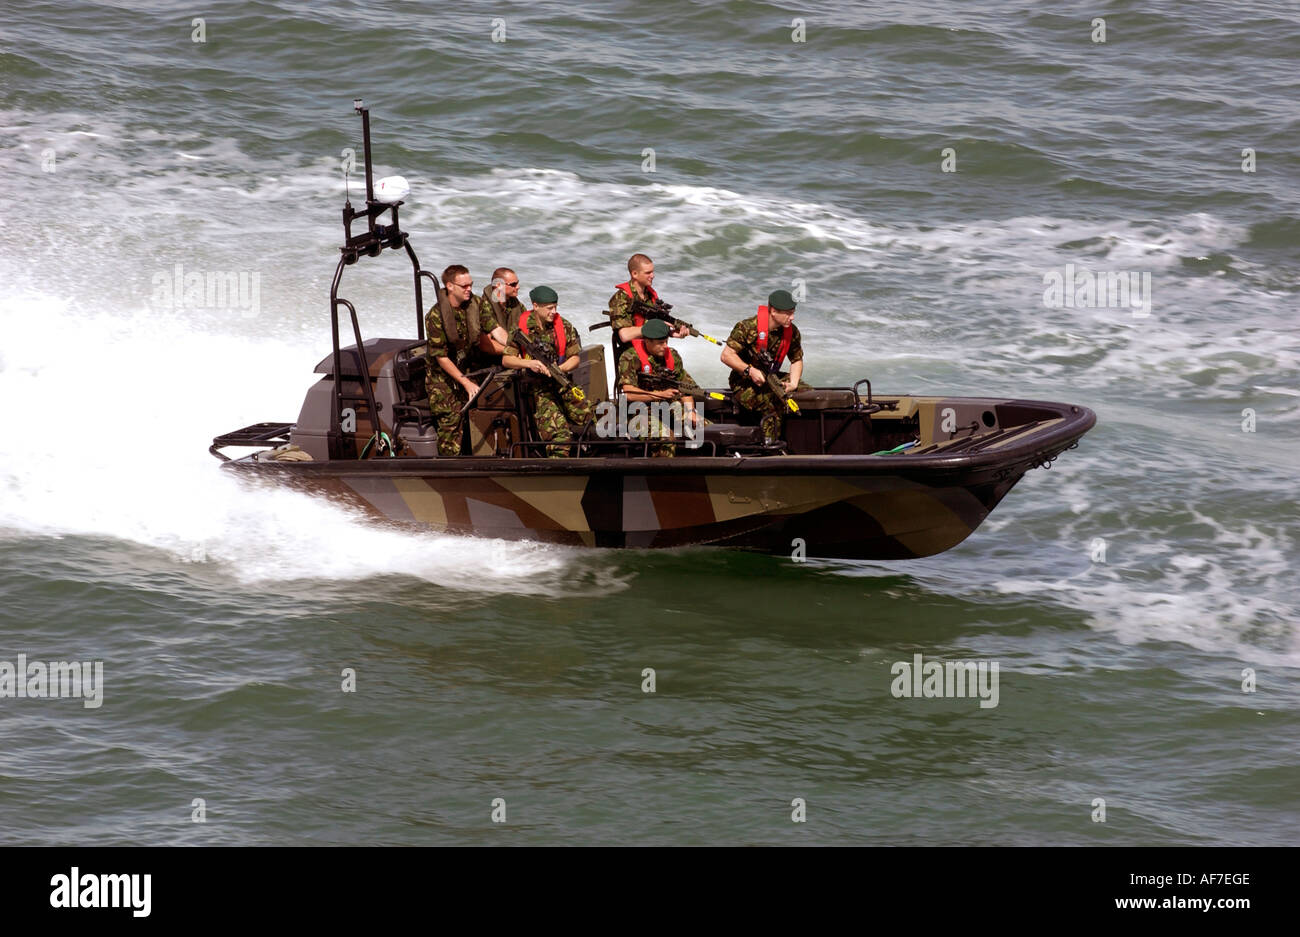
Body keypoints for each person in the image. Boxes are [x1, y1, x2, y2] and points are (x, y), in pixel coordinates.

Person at [502, 285, 593, 458]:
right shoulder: (520, 329)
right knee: (560, 435)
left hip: (560, 382)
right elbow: (507, 359)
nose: (553, 312)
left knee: (589, 419)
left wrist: (558, 370)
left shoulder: (564, 326)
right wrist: (530, 364)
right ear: (535, 306)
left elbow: (575, 358)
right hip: (537, 390)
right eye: (549, 308)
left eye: (555, 307)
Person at [719, 289, 809, 443]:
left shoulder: (792, 332)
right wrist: (750, 370)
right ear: (773, 311)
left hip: (771, 376)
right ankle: (768, 444)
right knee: (772, 403)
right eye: (788, 313)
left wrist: (793, 383)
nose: (792, 317)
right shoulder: (747, 327)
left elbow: (796, 359)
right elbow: (726, 356)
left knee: (806, 392)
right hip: (744, 383)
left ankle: (799, 438)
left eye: (793, 312)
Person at [616, 318, 700, 457]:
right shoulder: (630, 357)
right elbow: (629, 393)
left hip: (668, 406)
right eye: (661, 343)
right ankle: (662, 476)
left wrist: (690, 411)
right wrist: (659, 395)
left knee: (704, 429)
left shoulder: (672, 356)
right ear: (647, 341)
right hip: (638, 411)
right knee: (666, 438)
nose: (665, 346)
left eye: (666, 341)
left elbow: (685, 388)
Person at [424, 264, 482, 455]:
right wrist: (465, 383)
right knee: (452, 424)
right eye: (464, 286)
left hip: (467, 371)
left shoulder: (474, 304)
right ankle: (448, 470)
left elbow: (494, 328)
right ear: (450, 286)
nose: (469, 289)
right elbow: (441, 357)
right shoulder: (435, 316)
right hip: (443, 382)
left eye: (470, 285)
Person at [606, 253, 689, 355]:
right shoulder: (621, 299)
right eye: (648, 273)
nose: (652, 276)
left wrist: (671, 333)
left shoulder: (650, 295)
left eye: (652, 272)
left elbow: (655, 327)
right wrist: (655, 327)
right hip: (631, 355)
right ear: (634, 274)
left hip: (652, 348)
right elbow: (625, 335)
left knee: (674, 357)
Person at [468, 266, 522, 369]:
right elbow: (485, 344)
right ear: (499, 285)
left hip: (508, 359)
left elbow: (526, 321)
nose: (518, 287)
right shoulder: (483, 307)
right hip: (486, 363)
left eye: (517, 283)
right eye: (513, 284)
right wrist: (512, 351)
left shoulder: (514, 304)